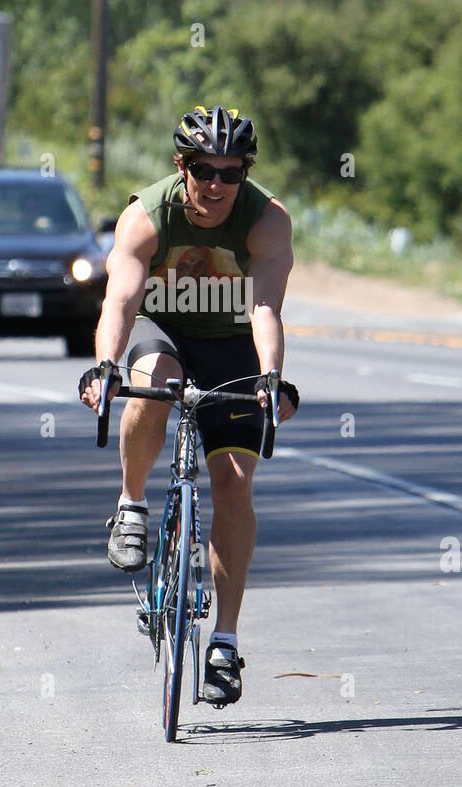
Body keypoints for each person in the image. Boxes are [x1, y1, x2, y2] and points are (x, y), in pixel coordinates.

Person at [79, 105, 299, 707]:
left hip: (231, 345)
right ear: (182, 167)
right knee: (151, 382)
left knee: (233, 483)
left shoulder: (267, 221)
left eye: (232, 173)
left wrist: (272, 377)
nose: (217, 185)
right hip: (164, 330)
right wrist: (106, 366)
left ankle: (223, 643)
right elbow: (120, 303)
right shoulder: (146, 217)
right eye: (205, 170)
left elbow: (266, 310)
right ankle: (131, 504)